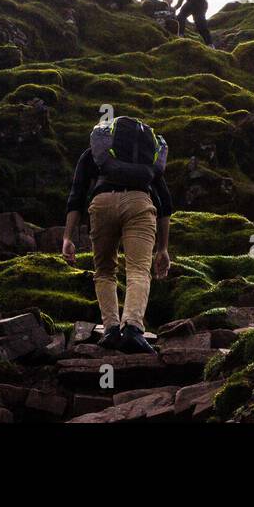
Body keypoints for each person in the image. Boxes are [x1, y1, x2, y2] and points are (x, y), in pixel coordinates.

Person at [62, 116, 173, 354]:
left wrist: (67, 237)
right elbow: (165, 204)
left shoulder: (96, 152)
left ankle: (111, 329)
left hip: (102, 202)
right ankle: (132, 328)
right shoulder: (146, 158)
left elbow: (77, 194)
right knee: (137, 269)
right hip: (139, 202)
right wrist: (163, 248)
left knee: (104, 270)